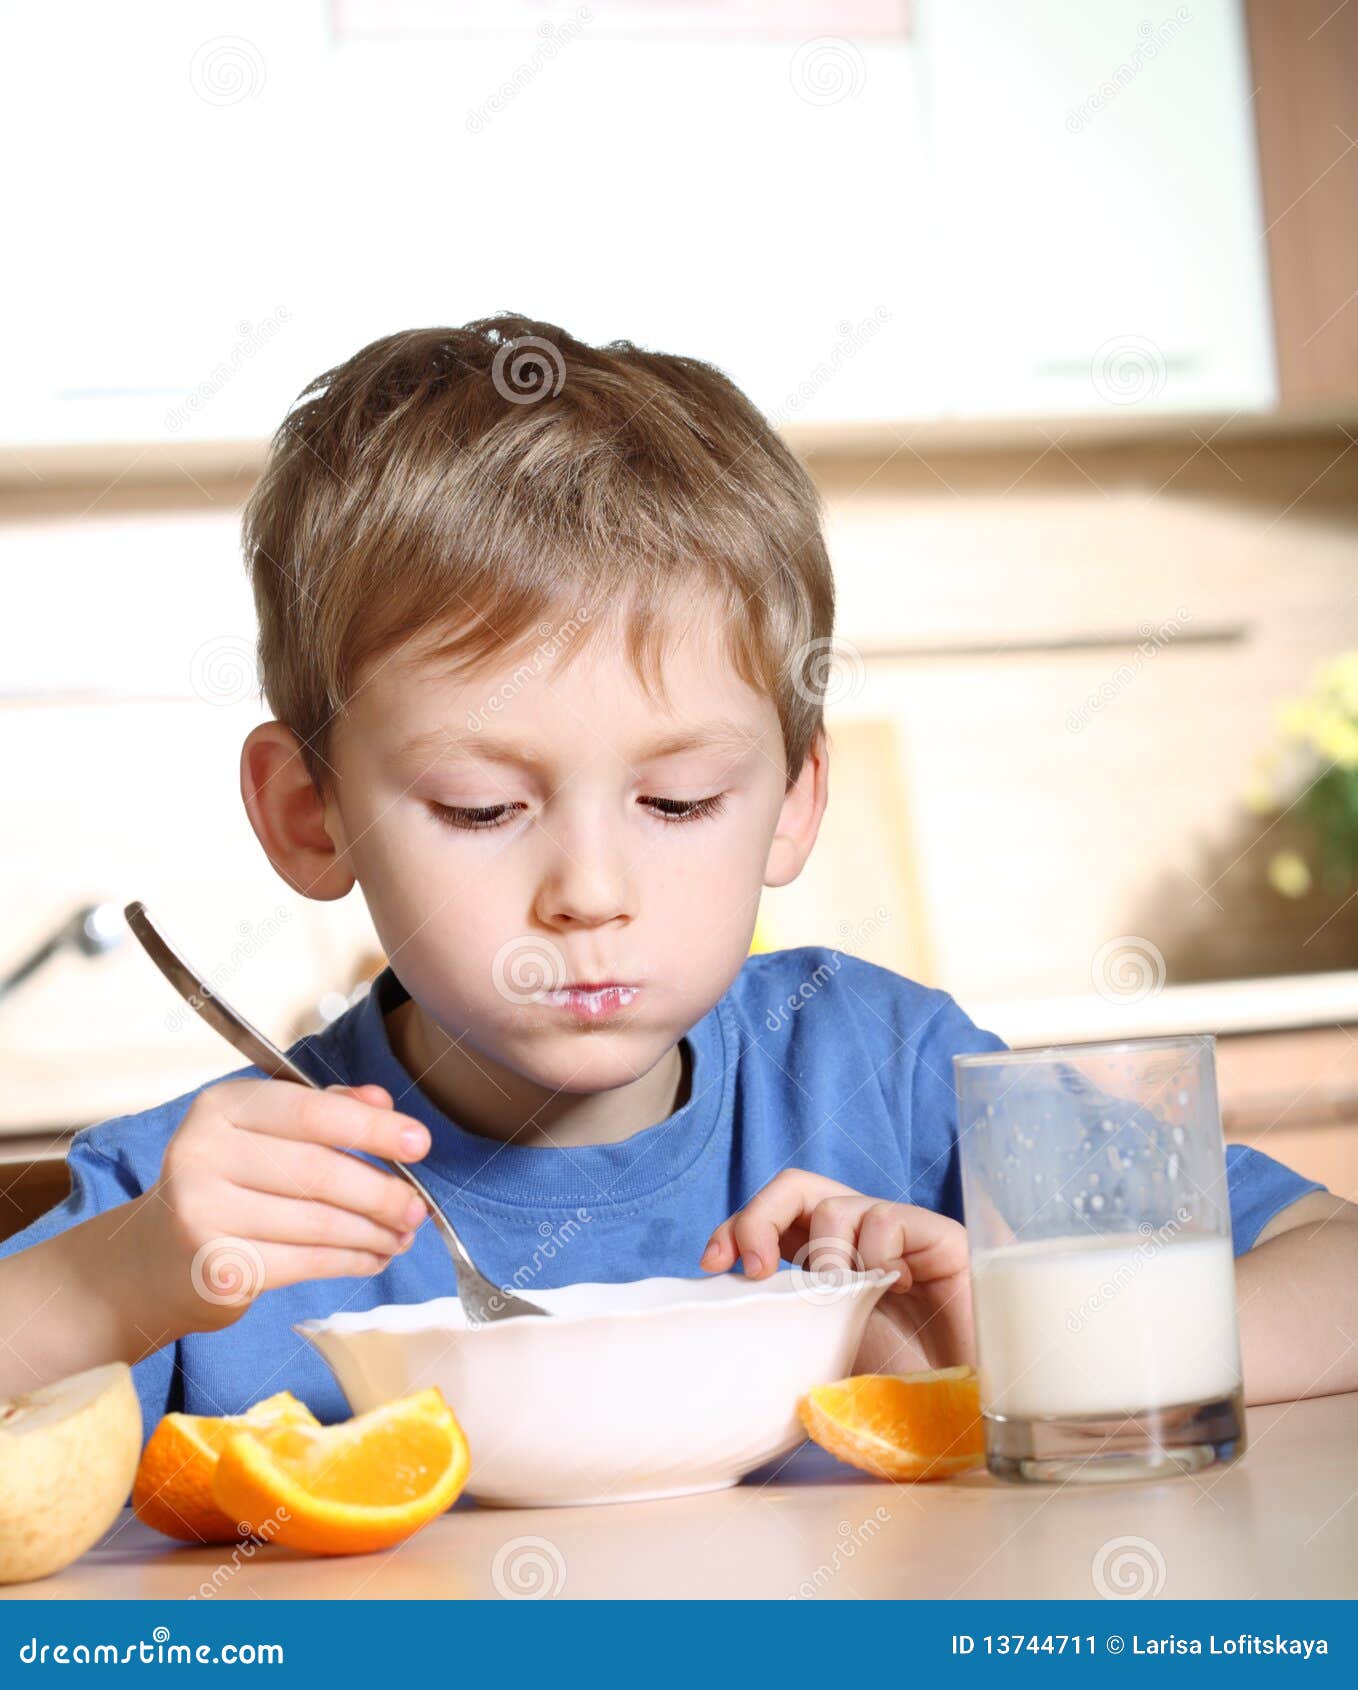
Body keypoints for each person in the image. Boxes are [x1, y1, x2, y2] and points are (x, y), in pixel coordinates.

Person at [2, 316, 1354, 1443]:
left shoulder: (883, 1077)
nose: (589, 890)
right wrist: (105, 1287)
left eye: (678, 801)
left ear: (791, 800)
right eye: (481, 807)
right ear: (312, 814)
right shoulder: (206, 1195)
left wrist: (1017, 1336)